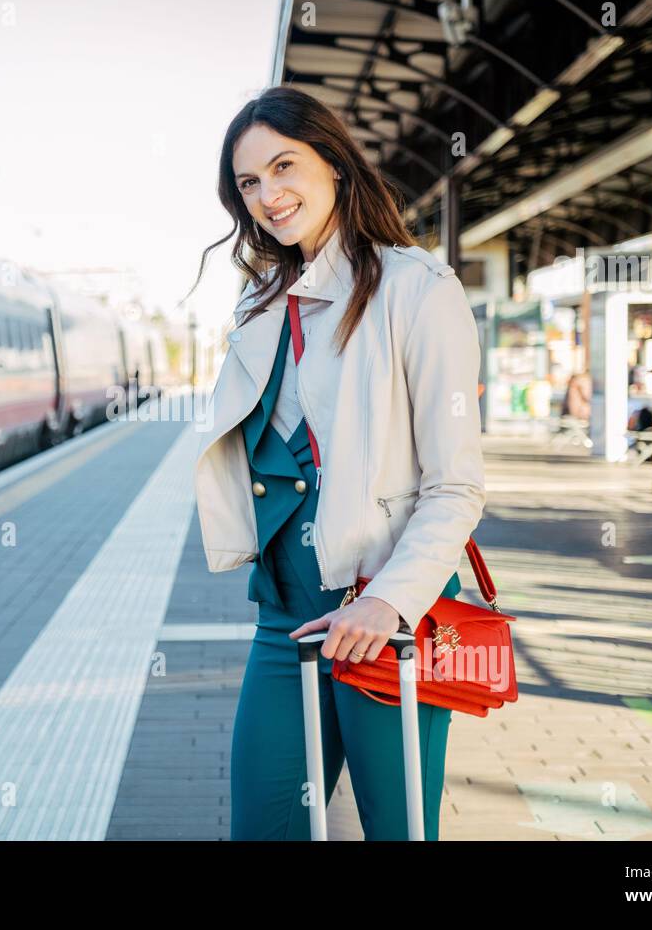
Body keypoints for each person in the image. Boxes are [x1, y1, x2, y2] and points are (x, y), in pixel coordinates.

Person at [189, 86, 485, 840]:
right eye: (248, 183)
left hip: (386, 616)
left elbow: (455, 487)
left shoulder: (416, 290)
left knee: (399, 830)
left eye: (284, 167)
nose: (268, 196)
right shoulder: (260, 304)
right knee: (262, 826)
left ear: (336, 164)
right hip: (284, 619)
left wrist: (389, 601)